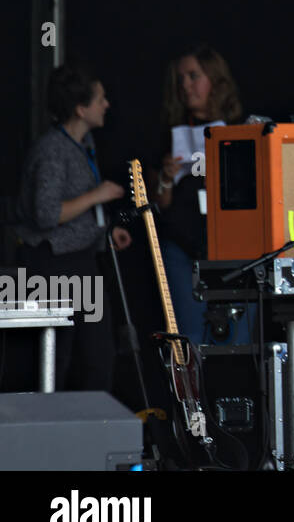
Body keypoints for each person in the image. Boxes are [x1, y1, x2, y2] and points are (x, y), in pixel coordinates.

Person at [15, 62, 132, 391]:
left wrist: (105, 230)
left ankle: (92, 434)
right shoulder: (53, 150)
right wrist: (97, 195)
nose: (106, 104)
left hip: (81, 260)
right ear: (81, 109)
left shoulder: (83, 145)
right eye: (100, 99)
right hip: (54, 264)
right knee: (57, 357)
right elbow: (47, 214)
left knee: (95, 355)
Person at [150, 44, 247, 344]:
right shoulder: (168, 131)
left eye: (193, 76)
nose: (185, 85)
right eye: (180, 79)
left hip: (234, 247)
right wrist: (166, 177)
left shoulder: (240, 128)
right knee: (190, 337)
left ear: (215, 80)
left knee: (237, 338)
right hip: (182, 245)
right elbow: (160, 204)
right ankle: (193, 392)